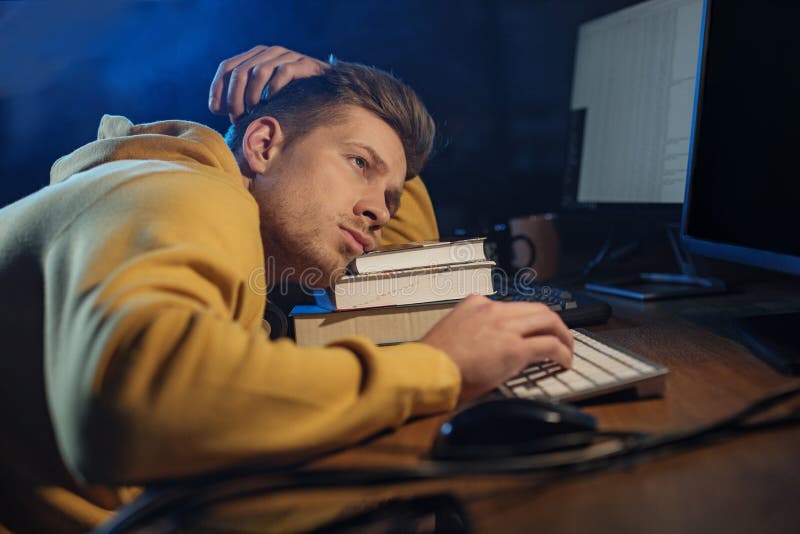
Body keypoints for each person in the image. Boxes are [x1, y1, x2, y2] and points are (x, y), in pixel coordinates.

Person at [0, 45, 573, 533]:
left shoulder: (171, 191)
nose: (379, 210)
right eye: (357, 162)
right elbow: (137, 407)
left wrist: (342, 96)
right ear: (263, 145)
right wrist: (438, 367)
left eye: (392, 197)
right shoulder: (185, 193)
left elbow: (400, 277)